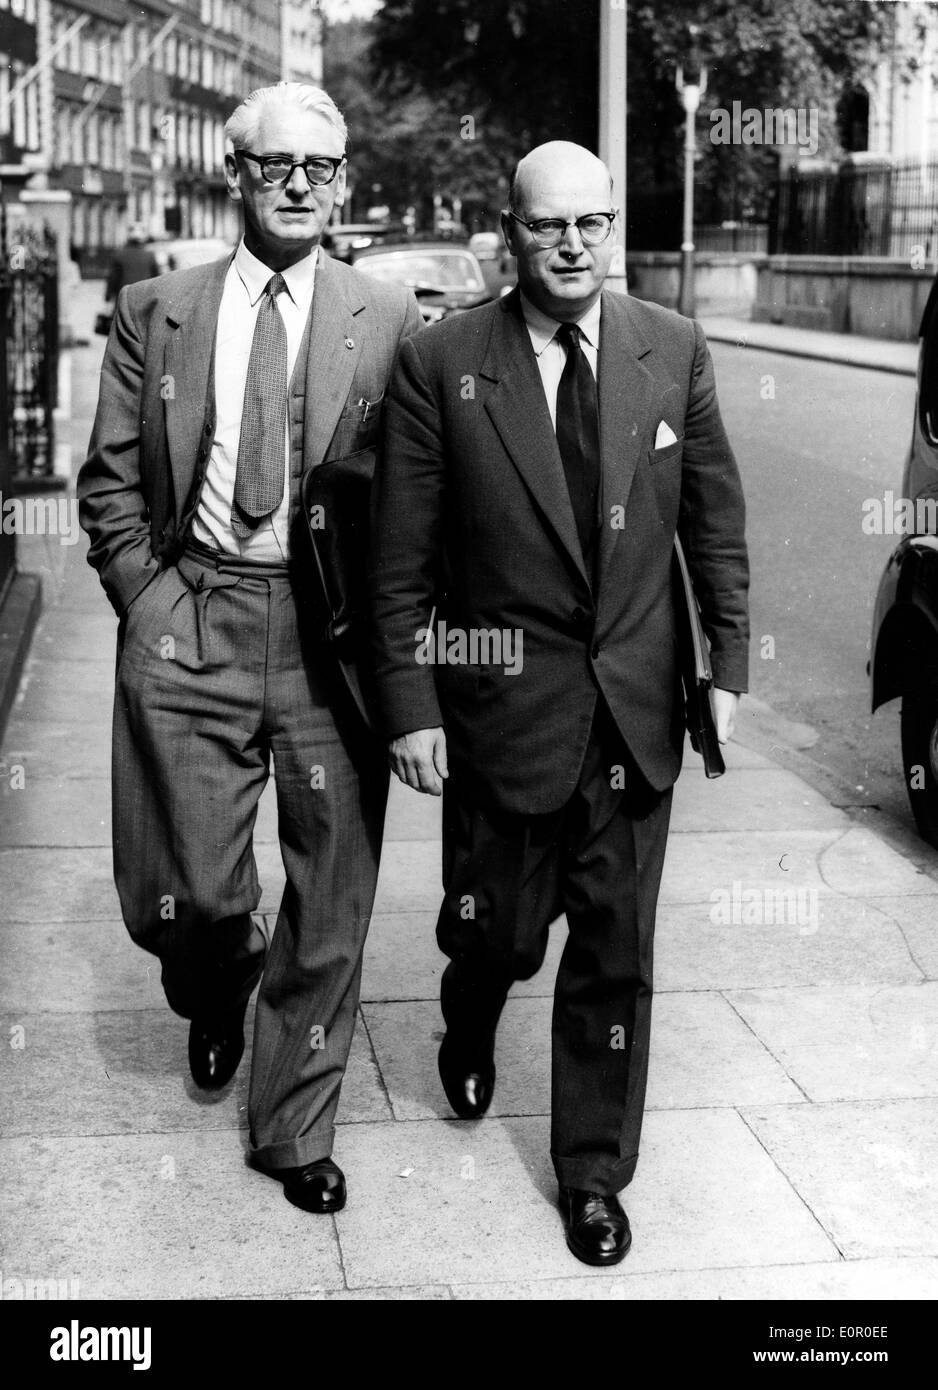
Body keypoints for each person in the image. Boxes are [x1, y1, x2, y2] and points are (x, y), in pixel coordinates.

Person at [370, 141, 749, 1266]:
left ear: (612, 228)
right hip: (501, 712)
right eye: (548, 226)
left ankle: (591, 1173)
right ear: (509, 231)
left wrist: (724, 666)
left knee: (614, 956)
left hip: (633, 713)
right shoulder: (444, 363)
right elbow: (399, 560)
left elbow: (712, 520)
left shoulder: (668, 346)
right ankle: (470, 1009)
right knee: (505, 932)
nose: (573, 245)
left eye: (592, 223)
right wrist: (409, 705)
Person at [78, 82, 421, 1216]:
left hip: (330, 641)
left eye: (318, 169)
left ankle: (292, 1126)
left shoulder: (388, 315)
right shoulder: (157, 309)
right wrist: (148, 602)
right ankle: (215, 984)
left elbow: (418, 498)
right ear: (234, 171)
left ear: (342, 184)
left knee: (331, 896)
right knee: (185, 895)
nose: (296, 186)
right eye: (274, 164)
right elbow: (109, 483)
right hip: (196, 617)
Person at [104, 224, 159, 302]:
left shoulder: (119, 255)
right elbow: (156, 278)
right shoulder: (149, 256)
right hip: (145, 297)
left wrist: (108, 296)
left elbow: (113, 278)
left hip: (124, 297)